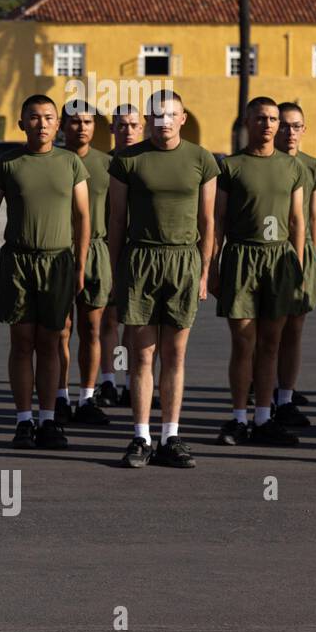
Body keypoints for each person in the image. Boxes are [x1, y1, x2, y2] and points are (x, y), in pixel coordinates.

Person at [108, 89, 218, 469]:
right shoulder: (126, 159)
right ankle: (141, 436)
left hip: (183, 261)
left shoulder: (201, 159)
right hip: (140, 260)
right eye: (157, 115)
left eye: (171, 114)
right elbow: (116, 221)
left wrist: (204, 272)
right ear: (148, 119)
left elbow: (208, 222)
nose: (164, 121)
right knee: (141, 355)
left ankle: (171, 436)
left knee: (175, 354)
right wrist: (114, 272)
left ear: (183, 118)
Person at [0, 94, 89, 450]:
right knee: (22, 343)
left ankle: (48, 420)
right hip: (18, 264)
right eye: (34, 117)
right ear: (21, 122)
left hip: (58, 262)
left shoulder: (71, 163)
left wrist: (80, 265)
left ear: (57, 124)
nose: (41, 123)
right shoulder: (7, 164)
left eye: (47, 117)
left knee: (51, 342)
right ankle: (23, 420)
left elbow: (82, 217)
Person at [211, 97, 305, 447]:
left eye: (273, 119)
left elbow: (297, 220)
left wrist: (296, 264)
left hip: (277, 258)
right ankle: (238, 418)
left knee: (271, 343)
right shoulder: (230, 166)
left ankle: (264, 418)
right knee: (243, 342)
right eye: (261, 118)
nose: (268, 124)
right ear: (248, 122)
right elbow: (218, 220)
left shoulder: (292, 167)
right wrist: (213, 266)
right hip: (241, 257)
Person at [55, 100, 113, 426]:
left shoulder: (107, 164)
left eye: (88, 121)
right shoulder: (54, 161)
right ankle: (59, 397)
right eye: (75, 121)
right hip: (59, 252)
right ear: (64, 126)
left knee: (92, 328)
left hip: (97, 251)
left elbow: (120, 215)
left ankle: (87, 397)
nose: (82, 127)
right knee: (61, 330)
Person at [273, 101, 316, 424]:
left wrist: (315, 260)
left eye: (296, 126)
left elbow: (315, 217)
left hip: (300, 253)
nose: (290, 132)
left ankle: (285, 396)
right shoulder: (263, 162)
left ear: (304, 130)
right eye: (285, 125)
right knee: (262, 331)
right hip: (268, 252)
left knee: (294, 328)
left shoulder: (312, 166)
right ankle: (261, 389)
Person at [97, 103, 143, 407]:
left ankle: (131, 382)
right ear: (112, 129)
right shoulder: (103, 165)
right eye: (121, 125)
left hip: (142, 253)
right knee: (110, 321)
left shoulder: (149, 163)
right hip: (108, 251)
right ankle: (109, 381)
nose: (127, 131)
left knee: (136, 325)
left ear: (143, 128)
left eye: (133, 125)